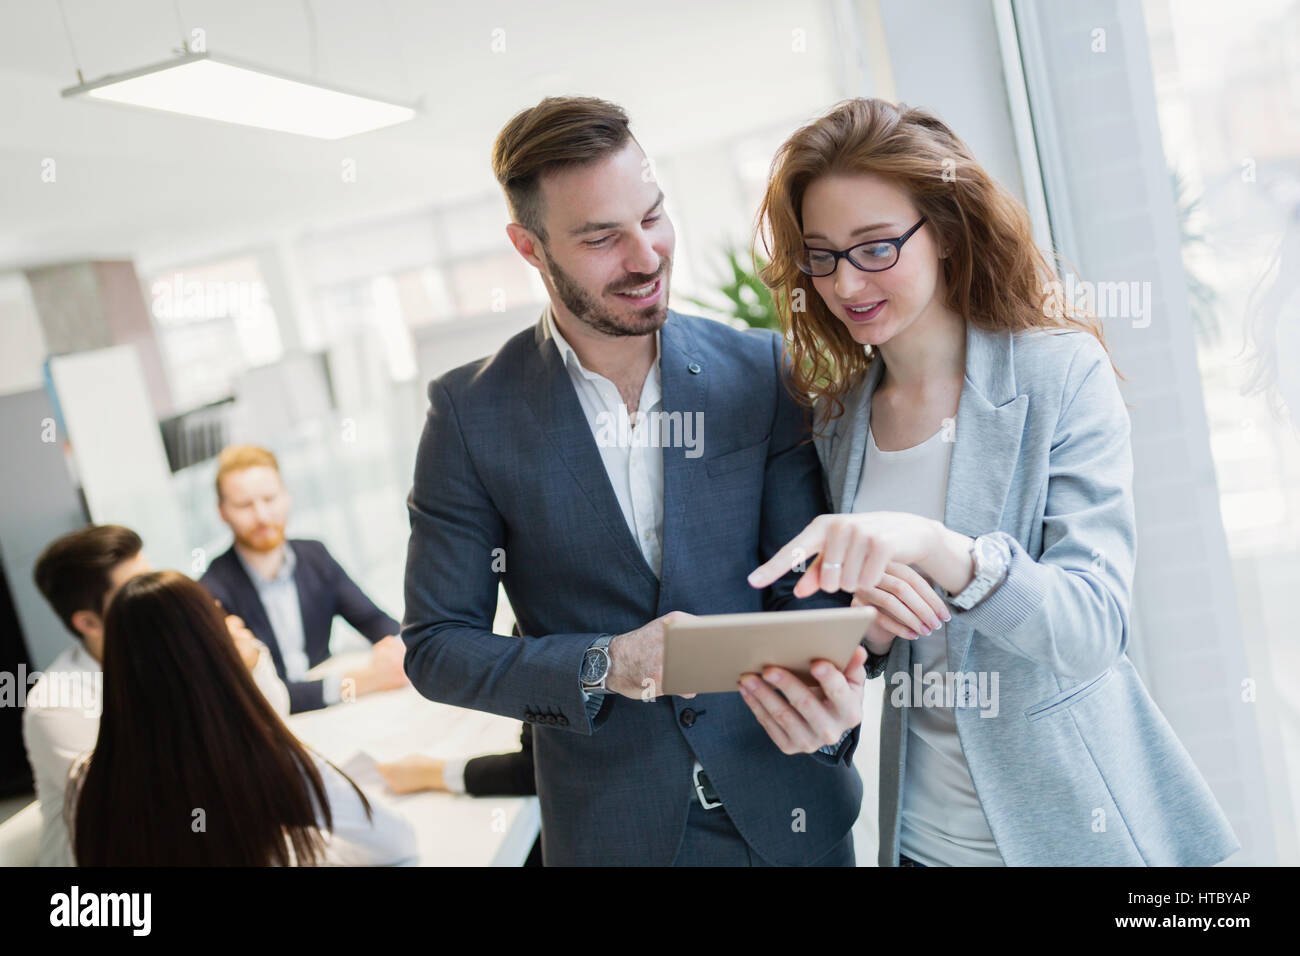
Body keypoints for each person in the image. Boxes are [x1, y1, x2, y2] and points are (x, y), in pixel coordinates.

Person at [747, 97, 1240, 866]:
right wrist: (868, 631)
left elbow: (1089, 630)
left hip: (1072, 831)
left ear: (942, 232)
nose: (846, 284)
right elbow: (883, 645)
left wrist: (946, 551)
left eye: (876, 248)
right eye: (822, 255)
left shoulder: (1057, 374)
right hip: (921, 839)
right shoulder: (838, 418)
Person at [401, 96, 868, 867]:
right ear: (529, 247)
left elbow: (805, 595)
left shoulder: (758, 372)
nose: (646, 256)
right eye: (601, 238)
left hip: (789, 819)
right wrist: (605, 664)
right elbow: (436, 647)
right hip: (616, 838)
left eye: (652, 217)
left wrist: (833, 707)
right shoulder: (469, 416)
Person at [66, 570, 415, 865]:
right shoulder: (259, 760)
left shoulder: (87, 778)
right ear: (212, 648)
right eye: (218, 618)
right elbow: (396, 842)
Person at [25, 524, 290, 867]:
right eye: (134, 590)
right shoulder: (58, 706)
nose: (154, 597)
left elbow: (278, 731)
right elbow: (148, 811)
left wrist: (243, 668)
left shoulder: (163, 655)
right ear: (88, 623)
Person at [200, 444, 408, 714]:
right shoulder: (210, 592)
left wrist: (394, 651)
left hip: (337, 715)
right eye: (244, 505)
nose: (262, 516)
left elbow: (375, 621)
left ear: (286, 496)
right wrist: (364, 681)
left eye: (270, 499)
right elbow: (254, 695)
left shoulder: (315, 556)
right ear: (222, 513)